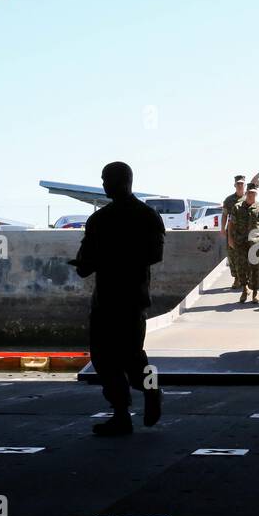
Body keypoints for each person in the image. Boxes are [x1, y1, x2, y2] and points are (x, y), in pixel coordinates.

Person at [72, 161, 166, 436]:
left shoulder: (120, 218)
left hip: (125, 299)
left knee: (131, 359)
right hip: (117, 299)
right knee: (104, 360)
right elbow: (86, 261)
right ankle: (122, 412)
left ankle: (150, 392)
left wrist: (106, 259)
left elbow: (153, 255)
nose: (104, 184)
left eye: (107, 179)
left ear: (123, 181)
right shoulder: (142, 216)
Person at [227, 184, 259, 303]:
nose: (251, 195)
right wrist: (230, 239)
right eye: (249, 193)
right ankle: (244, 289)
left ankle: (255, 292)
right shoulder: (237, 207)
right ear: (246, 193)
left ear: (256, 194)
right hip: (240, 242)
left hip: (255, 243)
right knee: (241, 267)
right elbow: (231, 224)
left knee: (255, 268)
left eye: (253, 193)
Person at [221, 175, 246, 285]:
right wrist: (222, 228)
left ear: (245, 185)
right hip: (232, 232)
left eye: (242, 184)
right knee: (232, 255)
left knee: (245, 255)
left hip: (246, 232)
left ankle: (245, 277)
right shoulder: (229, 200)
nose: (240, 186)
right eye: (238, 184)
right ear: (235, 185)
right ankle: (236, 278)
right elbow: (225, 215)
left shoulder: (249, 197)